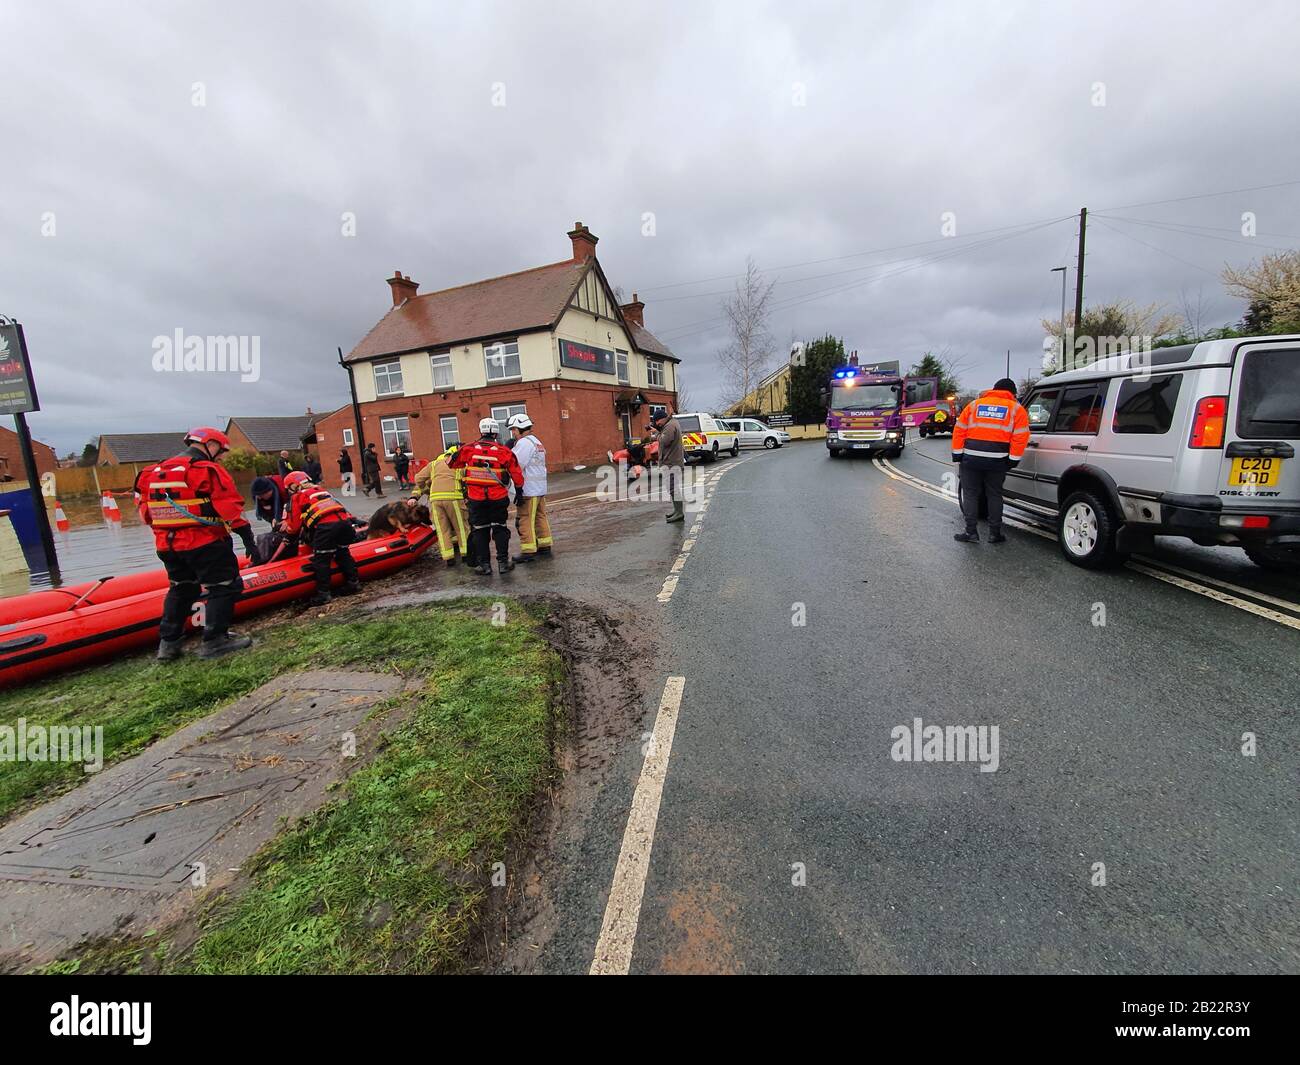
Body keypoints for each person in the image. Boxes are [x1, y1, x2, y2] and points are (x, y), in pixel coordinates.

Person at [136, 427, 256, 660]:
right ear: (210, 445)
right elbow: (231, 509)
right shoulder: (206, 470)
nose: (221, 456)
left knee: (181, 589)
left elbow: (146, 514)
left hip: (167, 546)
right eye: (221, 451)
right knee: (224, 586)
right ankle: (215, 641)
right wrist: (248, 539)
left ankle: (169, 645)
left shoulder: (151, 473)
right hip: (205, 542)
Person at [951, 377, 1030, 545]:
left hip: (970, 458)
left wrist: (957, 454)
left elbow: (959, 431)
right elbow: (1020, 437)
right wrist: (1013, 460)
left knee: (971, 494)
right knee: (994, 494)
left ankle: (971, 532)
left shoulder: (974, 405)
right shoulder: (1017, 409)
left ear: (993, 389)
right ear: (1012, 393)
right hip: (997, 460)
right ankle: (995, 534)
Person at [449, 418, 524, 576]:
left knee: (480, 531)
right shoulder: (504, 451)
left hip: (476, 500)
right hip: (498, 498)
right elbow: (516, 473)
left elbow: (451, 463)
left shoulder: (468, 449)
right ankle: (503, 564)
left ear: (481, 431)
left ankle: (485, 565)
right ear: (496, 433)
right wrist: (519, 491)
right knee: (500, 529)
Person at [280, 470, 361, 605]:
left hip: (326, 528)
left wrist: (288, 534)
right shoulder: (323, 491)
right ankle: (353, 583)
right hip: (344, 525)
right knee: (343, 553)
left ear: (293, 486)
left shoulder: (297, 497)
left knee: (321, 560)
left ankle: (324, 594)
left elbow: (294, 526)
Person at [412, 443, 474, 567]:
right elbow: (469, 482)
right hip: (454, 499)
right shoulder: (460, 465)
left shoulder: (434, 464)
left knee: (442, 530)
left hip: (435, 500)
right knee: (461, 527)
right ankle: (466, 555)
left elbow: (418, 479)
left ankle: (448, 557)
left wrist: (427, 491)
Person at [507, 414, 553, 562]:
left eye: (514, 429)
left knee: (525, 519)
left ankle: (528, 551)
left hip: (528, 490)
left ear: (520, 428)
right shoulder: (537, 442)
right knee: (540, 517)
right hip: (539, 489)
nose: (513, 433)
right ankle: (544, 546)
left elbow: (516, 465)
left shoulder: (524, 443)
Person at [650, 407, 685, 523]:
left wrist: (657, 433)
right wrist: (659, 431)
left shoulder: (669, 426)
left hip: (671, 462)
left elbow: (665, 441)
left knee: (673, 488)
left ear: (661, 419)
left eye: (656, 421)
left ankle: (679, 513)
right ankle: (677, 511)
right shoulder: (671, 423)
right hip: (672, 461)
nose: (656, 424)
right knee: (672, 488)